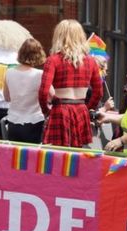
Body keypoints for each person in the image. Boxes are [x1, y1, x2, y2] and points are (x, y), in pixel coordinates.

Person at [38, 19, 103, 148]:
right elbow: (99, 92)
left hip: (60, 110)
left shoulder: (53, 60)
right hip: (81, 109)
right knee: (77, 154)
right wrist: (87, 109)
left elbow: (43, 92)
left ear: (58, 36)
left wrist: (46, 111)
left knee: (58, 154)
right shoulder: (91, 62)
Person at [3, 38, 47, 143]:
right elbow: (51, 96)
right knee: (33, 152)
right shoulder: (40, 74)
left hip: (14, 120)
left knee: (15, 152)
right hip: (35, 120)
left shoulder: (9, 72)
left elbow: (7, 98)